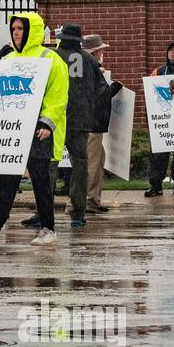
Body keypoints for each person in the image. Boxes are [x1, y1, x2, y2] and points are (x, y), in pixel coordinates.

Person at [0, 12, 68, 247]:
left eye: (20, 28)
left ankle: (48, 229)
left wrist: (47, 122)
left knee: (41, 181)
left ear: (32, 30)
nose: (16, 32)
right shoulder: (8, 59)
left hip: (38, 129)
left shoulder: (51, 58)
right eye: (13, 28)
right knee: (8, 179)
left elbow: (58, 95)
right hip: (12, 129)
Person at [55, 24, 106, 228]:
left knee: (48, 166)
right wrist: (87, 104)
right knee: (80, 166)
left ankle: (42, 213)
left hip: (56, 119)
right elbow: (102, 89)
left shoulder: (53, 57)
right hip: (81, 121)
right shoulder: (90, 60)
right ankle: (78, 212)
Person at [82, 34, 123, 215]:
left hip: (92, 123)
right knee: (92, 163)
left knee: (98, 162)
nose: (102, 53)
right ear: (96, 51)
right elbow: (99, 96)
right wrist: (114, 87)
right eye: (101, 50)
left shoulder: (87, 67)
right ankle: (87, 200)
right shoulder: (92, 69)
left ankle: (94, 199)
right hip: (93, 123)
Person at [145, 41, 174, 198]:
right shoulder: (158, 72)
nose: (173, 53)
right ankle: (156, 186)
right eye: (171, 50)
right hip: (164, 122)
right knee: (158, 155)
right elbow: (149, 95)